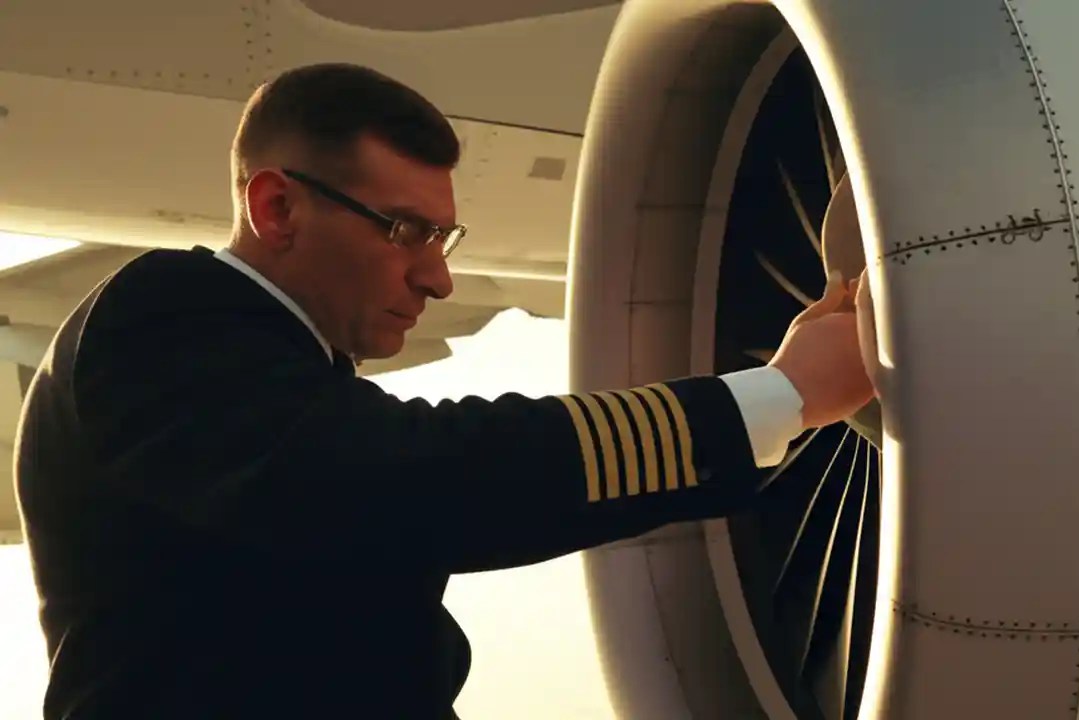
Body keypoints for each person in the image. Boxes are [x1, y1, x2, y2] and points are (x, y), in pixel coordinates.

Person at [13, 63, 876, 719]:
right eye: (406, 232)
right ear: (276, 208)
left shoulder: (266, 375)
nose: (438, 278)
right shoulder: (157, 321)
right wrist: (772, 399)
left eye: (444, 236)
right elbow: (411, 480)